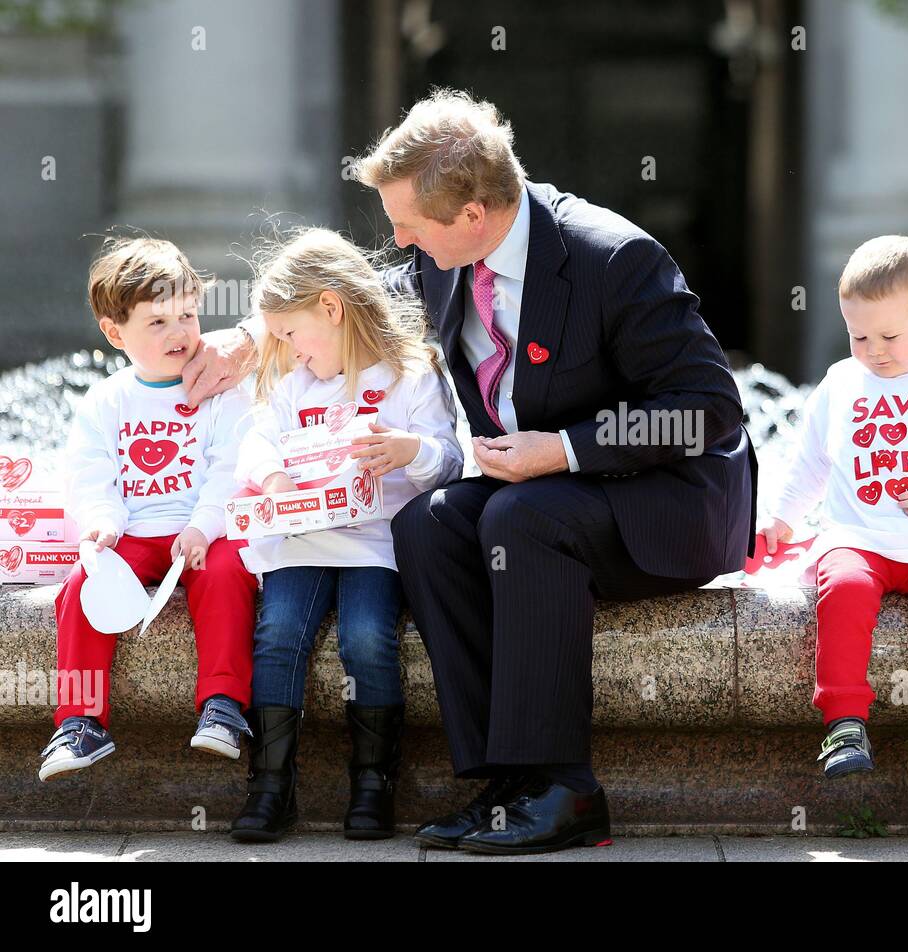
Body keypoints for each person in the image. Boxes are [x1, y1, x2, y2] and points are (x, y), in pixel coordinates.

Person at [184, 88, 758, 855]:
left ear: (472, 217)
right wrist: (252, 337)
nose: (396, 239)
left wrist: (561, 449)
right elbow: (357, 297)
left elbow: (707, 408)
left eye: (408, 225)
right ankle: (504, 784)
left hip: (663, 499)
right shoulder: (447, 258)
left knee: (520, 522)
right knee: (427, 523)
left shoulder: (614, 259)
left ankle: (565, 788)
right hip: (546, 490)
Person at [228, 229, 462, 842]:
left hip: (375, 544)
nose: (288, 350)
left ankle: (373, 784)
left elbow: (450, 460)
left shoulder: (410, 374)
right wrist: (273, 475)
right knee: (278, 635)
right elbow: (254, 440)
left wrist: (410, 451)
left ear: (331, 308)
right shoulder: (294, 385)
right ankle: (271, 786)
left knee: (366, 638)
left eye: (290, 333)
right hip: (299, 541)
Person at [759, 236, 908, 800]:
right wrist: (782, 519)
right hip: (858, 536)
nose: (875, 350)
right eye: (859, 335)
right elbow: (810, 462)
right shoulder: (841, 383)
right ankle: (844, 722)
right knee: (841, 589)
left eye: (890, 336)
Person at [40, 237, 257, 782]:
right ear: (115, 333)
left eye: (187, 314)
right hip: (133, 534)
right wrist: (101, 525)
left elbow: (231, 469)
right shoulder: (106, 401)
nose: (180, 332)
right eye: (157, 322)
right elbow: (90, 474)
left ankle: (224, 705)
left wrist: (204, 526)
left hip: (205, 531)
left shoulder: (221, 392)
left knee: (231, 573)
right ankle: (79, 721)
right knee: (79, 588)